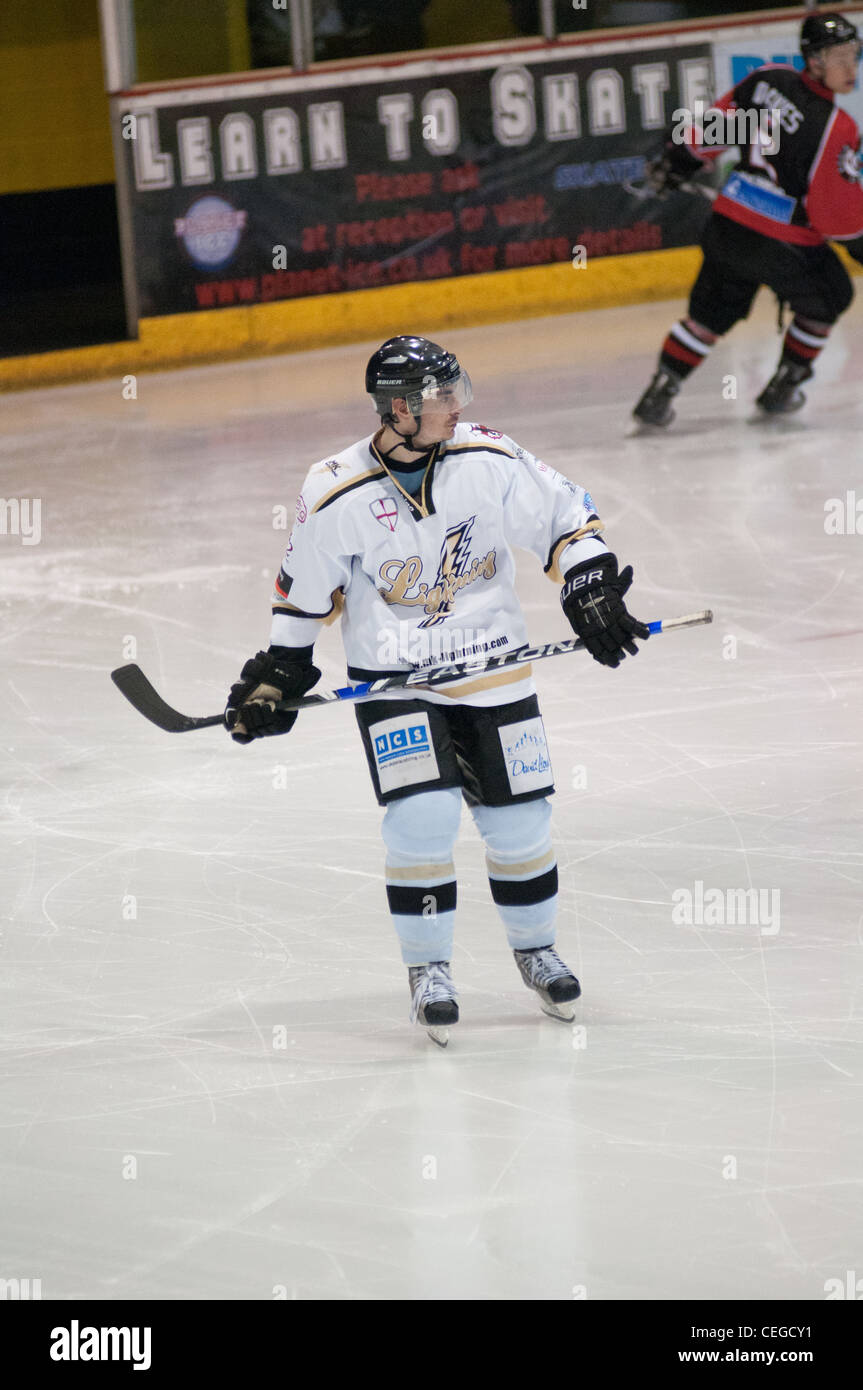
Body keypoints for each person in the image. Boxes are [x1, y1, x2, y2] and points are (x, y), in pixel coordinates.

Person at [225, 337, 649, 1045]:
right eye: (442, 397)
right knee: (420, 819)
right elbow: (303, 598)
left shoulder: (486, 456)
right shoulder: (332, 489)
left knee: (519, 826)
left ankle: (536, 950)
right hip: (395, 685)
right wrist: (278, 675)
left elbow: (567, 518)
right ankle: (428, 968)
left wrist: (588, 581)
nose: (459, 406)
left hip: (493, 671)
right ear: (399, 408)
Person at [633, 12, 863, 426]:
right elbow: (836, 218)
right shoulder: (837, 126)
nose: (850, 67)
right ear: (812, 60)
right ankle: (783, 387)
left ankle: (659, 392)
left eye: (854, 55)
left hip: (729, 226)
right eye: (838, 57)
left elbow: (712, 131)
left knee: (708, 314)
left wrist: (677, 162)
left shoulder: (768, 79)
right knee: (832, 295)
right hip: (787, 245)